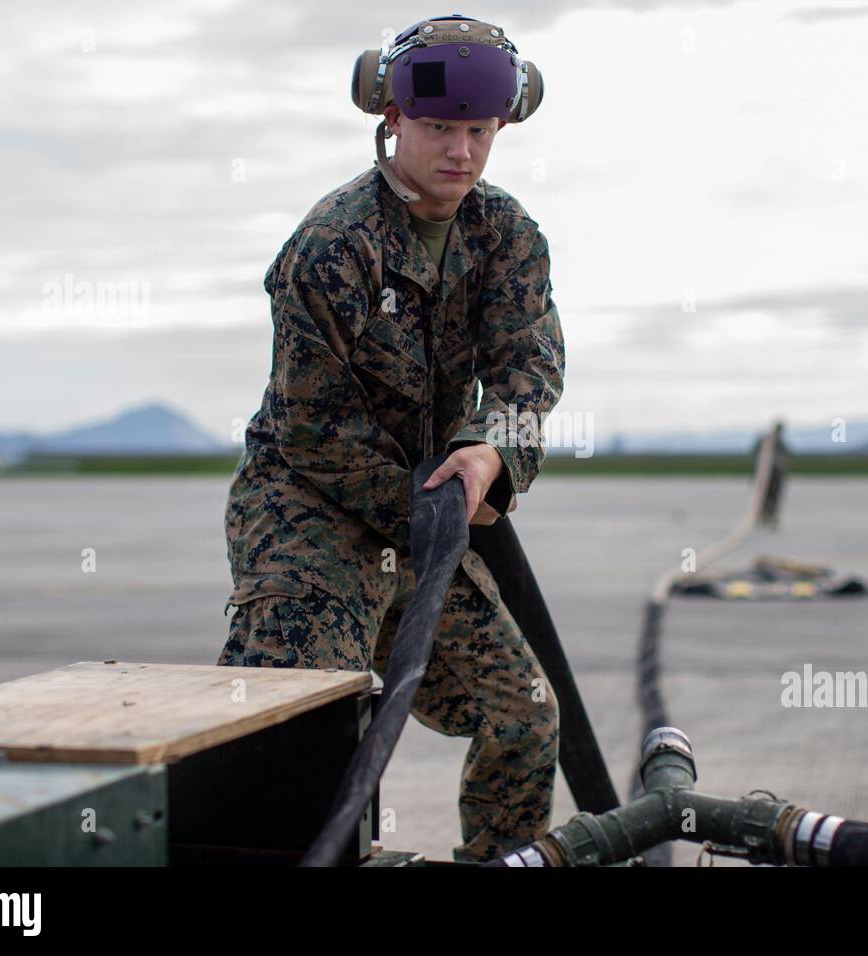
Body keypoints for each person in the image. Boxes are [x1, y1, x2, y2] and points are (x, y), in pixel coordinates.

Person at [217, 15, 564, 863]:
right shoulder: (334, 244)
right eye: (439, 127)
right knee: (298, 732)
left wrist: (492, 453)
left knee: (523, 715)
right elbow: (314, 427)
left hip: (432, 507)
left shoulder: (505, 235)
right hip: (310, 515)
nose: (461, 151)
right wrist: (436, 509)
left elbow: (529, 365)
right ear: (393, 117)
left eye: (480, 130)